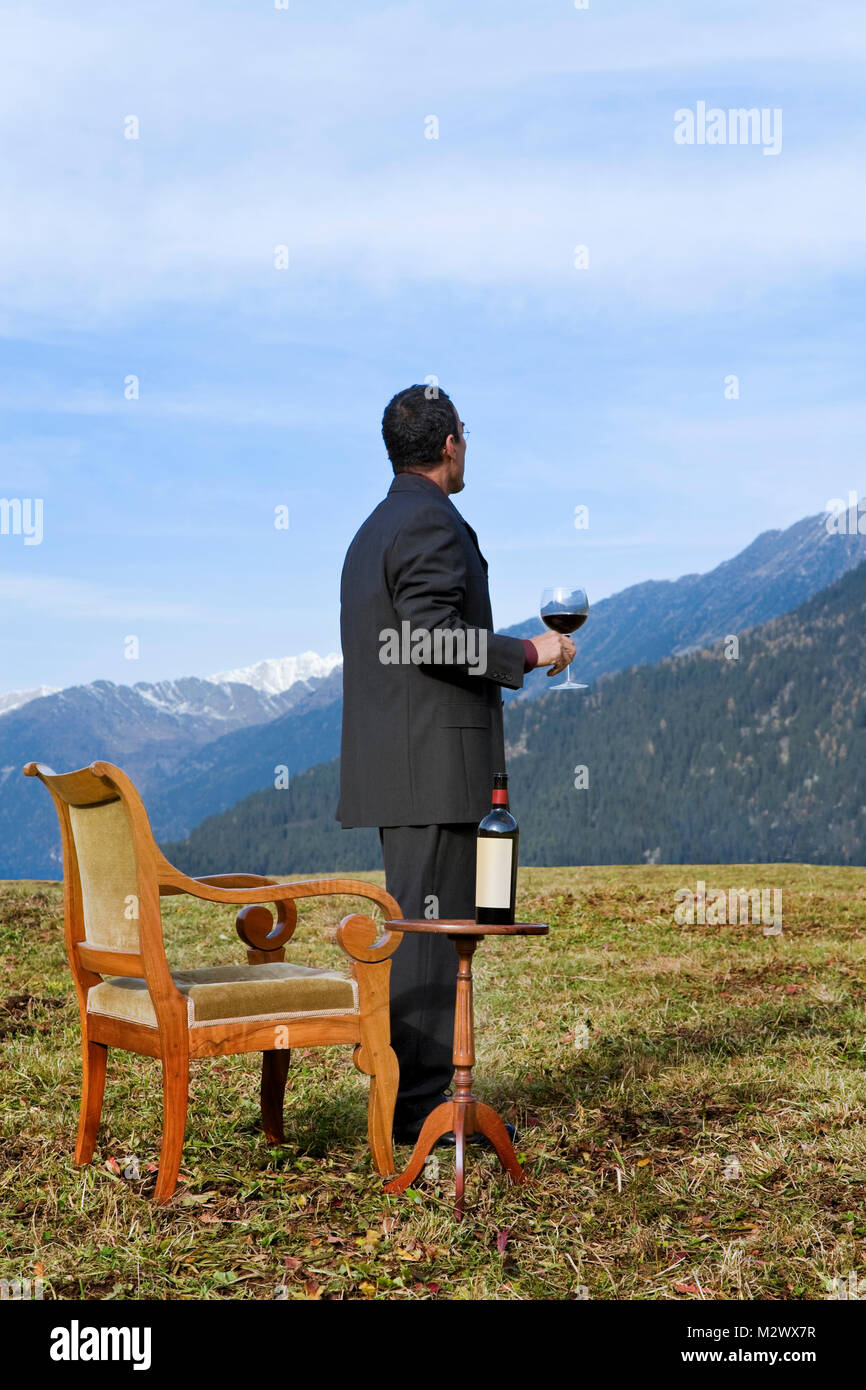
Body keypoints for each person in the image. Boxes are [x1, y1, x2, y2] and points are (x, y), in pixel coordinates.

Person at [337, 385, 575, 1145]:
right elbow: (432, 637)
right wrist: (528, 653)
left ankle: (412, 1102)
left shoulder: (376, 527)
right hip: (434, 771)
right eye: (465, 436)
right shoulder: (431, 523)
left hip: (405, 767)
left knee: (421, 935)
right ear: (450, 445)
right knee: (430, 945)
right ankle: (421, 1117)